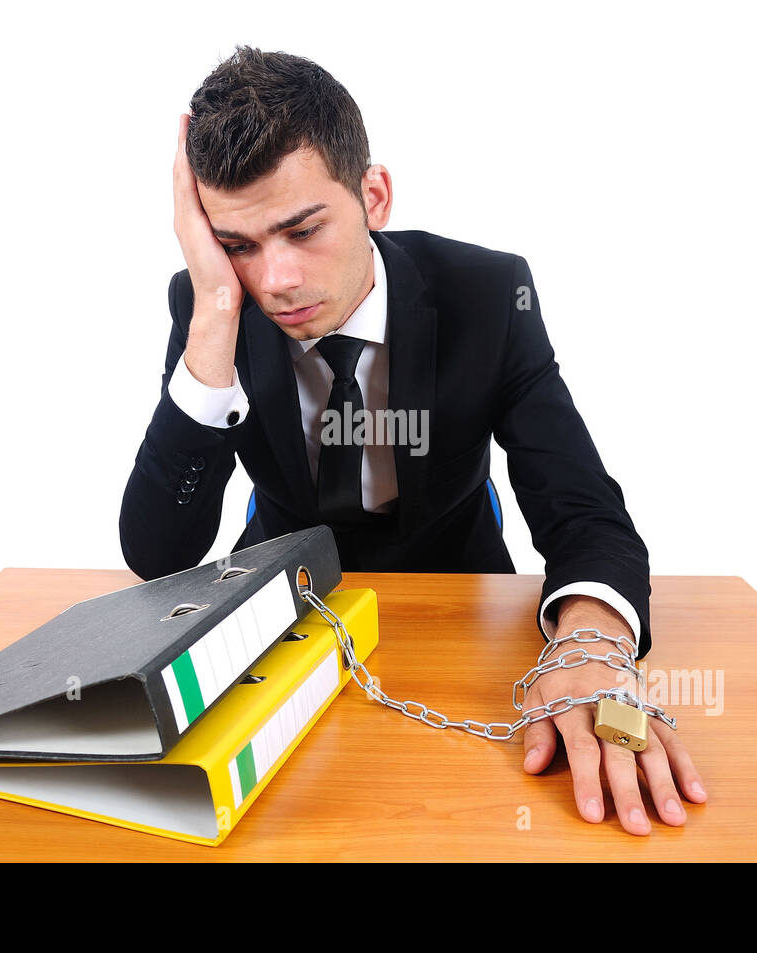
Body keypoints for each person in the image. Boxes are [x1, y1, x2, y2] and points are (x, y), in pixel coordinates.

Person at [119, 45, 707, 834]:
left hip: (459, 595)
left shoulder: (488, 295)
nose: (278, 279)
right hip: (287, 610)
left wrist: (593, 644)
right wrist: (214, 314)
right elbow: (159, 552)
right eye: (239, 245)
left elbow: (583, 510)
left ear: (375, 194)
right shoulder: (216, 309)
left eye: (302, 229)